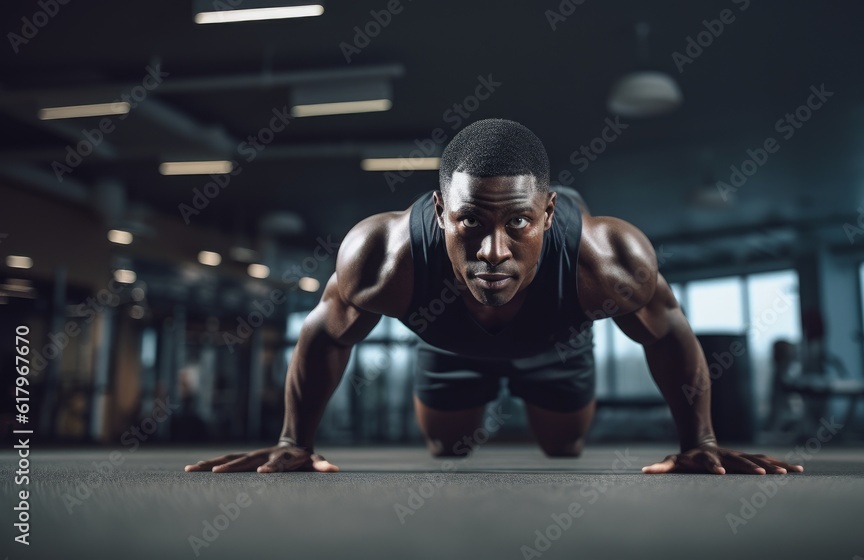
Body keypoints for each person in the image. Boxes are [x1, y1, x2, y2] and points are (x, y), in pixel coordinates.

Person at [185, 119, 802, 475]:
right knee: (446, 450)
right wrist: (295, 442)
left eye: (519, 225)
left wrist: (702, 443)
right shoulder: (384, 255)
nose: (493, 252)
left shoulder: (607, 261)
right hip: (447, 337)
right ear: (439, 211)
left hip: (558, 340)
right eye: (471, 223)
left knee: (564, 449)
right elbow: (324, 332)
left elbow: (669, 331)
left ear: (549, 211)